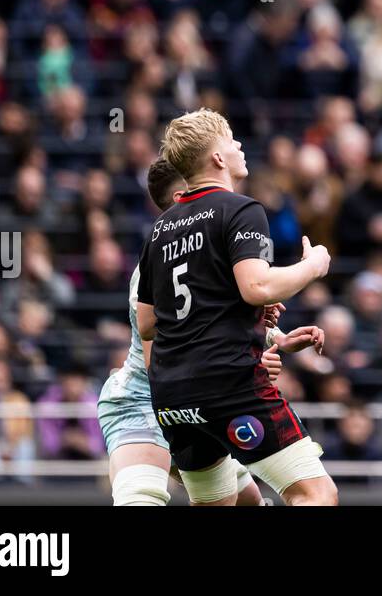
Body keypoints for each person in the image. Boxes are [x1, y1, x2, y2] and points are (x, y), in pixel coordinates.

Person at [135, 109, 337, 506]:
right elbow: (257, 286)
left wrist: (241, 312)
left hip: (173, 394)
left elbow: (147, 323)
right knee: (316, 494)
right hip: (228, 384)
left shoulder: (159, 230)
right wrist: (313, 266)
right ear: (217, 158)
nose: (240, 146)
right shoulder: (241, 209)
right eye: (231, 141)